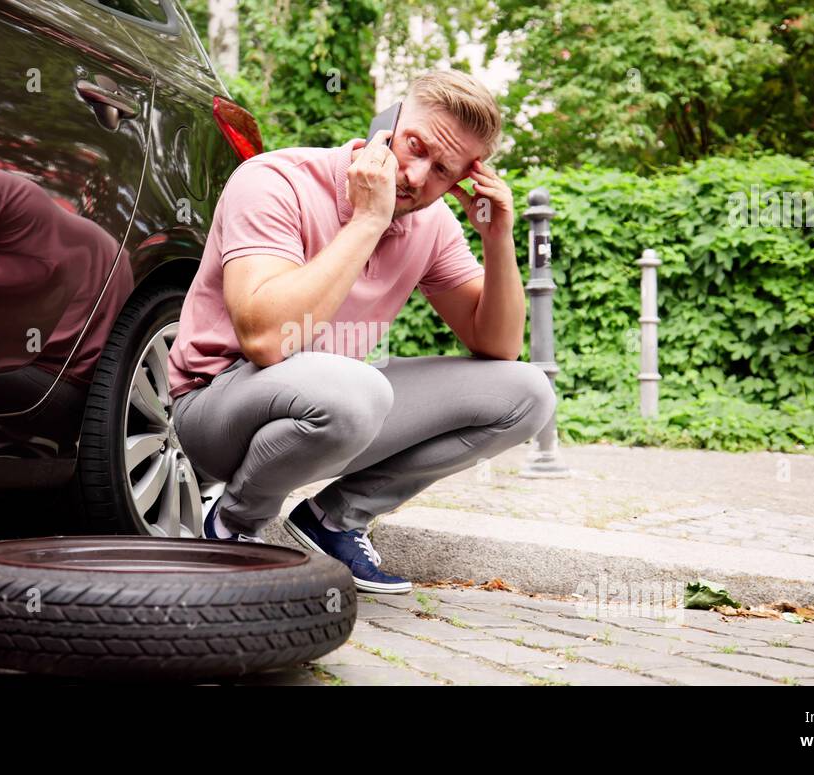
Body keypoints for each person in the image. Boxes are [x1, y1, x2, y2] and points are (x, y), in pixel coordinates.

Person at [167, 71, 556, 594]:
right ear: (388, 124)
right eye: (414, 147)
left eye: (442, 170)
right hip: (217, 410)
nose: (417, 176)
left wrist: (497, 236)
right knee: (357, 389)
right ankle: (233, 523)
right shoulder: (275, 180)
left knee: (527, 393)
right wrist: (369, 219)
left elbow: (498, 346)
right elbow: (265, 340)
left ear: (465, 179)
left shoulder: (433, 223)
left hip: (333, 409)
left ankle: (333, 520)